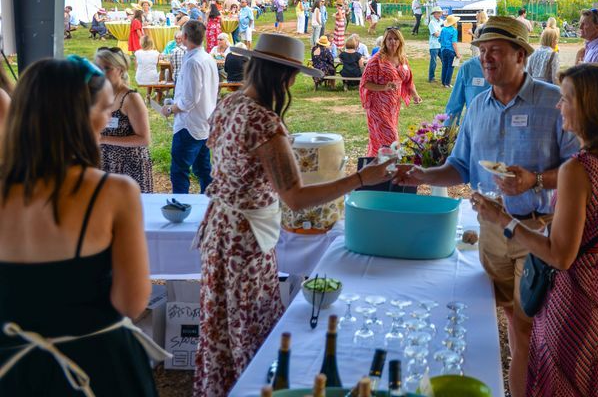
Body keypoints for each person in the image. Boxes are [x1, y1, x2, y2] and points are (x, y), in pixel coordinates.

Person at [192, 34, 394, 397]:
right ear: (283, 78)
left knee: (219, 323)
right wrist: (363, 178)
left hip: (218, 229)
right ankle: (252, 389)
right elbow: (296, 198)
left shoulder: (227, 104)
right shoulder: (265, 124)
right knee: (249, 325)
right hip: (244, 238)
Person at [394, 16, 579, 397]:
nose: (486, 59)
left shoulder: (552, 102)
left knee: (530, 322)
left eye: (495, 51)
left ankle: (530, 386)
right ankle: (522, 380)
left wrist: (535, 180)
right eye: (481, 51)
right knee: (512, 315)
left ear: (521, 55)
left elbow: (582, 168)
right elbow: (460, 167)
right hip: (491, 231)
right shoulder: (477, 106)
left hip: (537, 230)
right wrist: (422, 176)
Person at [471, 63, 598, 397]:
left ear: (588, 107)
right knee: (592, 376)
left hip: (571, 296)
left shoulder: (577, 169)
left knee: (558, 380)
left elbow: (561, 257)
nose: (557, 106)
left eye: (565, 99)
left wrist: (502, 220)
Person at [0, 57, 164, 396]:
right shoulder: (114, 193)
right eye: (104, 110)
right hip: (97, 364)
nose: (106, 121)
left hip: (13, 367)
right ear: (79, 117)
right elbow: (131, 302)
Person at [161, 20, 219, 194]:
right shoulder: (207, 57)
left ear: (185, 37)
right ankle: (207, 206)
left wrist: (171, 109)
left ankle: (181, 207)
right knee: (203, 169)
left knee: (180, 171)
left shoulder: (194, 61)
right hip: (205, 120)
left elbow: (189, 100)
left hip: (190, 124)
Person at [95, 48, 154, 193]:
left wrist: (103, 139)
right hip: (105, 165)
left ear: (120, 70)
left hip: (130, 168)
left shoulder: (131, 98)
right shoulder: (98, 94)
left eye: (107, 68)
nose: (101, 73)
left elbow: (144, 139)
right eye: (97, 68)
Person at [360, 27, 422, 156]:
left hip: (393, 106)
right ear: (384, 41)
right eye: (389, 39)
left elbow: (408, 80)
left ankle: (377, 165)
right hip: (378, 106)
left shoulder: (402, 59)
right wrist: (384, 87)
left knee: (380, 139)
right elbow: (365, 83)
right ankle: (392, 164)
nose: (392, 42)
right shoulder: (376, 60)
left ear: (400, 41)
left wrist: (415, 95)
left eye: (395, 39)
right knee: (391, 137)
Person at [444, 52, 489, 126]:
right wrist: (447, 130)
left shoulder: (512, 69)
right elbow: (455, 104)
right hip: (474, 127)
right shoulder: (468, 67)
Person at [439, 14, 460, 88]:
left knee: (444, 66)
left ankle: (443, 82)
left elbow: (439, 40)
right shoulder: (454, 30)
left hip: (443, 50)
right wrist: (458, 54)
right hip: (450, 50)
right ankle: (447, 83)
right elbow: (454, 43)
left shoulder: (443, 29)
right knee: (450, 67)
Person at [427, 6, 444, 83]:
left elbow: (440, 32)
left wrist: (441, 33)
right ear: (434, 14)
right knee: (433, 62)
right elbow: (436, 34)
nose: (440, 14)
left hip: (441, 44)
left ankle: (444, 76)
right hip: (434, 45)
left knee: (444, 61)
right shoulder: (432, 23)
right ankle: (431, 78)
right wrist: (443, 33)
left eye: (440, 13)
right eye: (438, 13)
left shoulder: (442, 21)